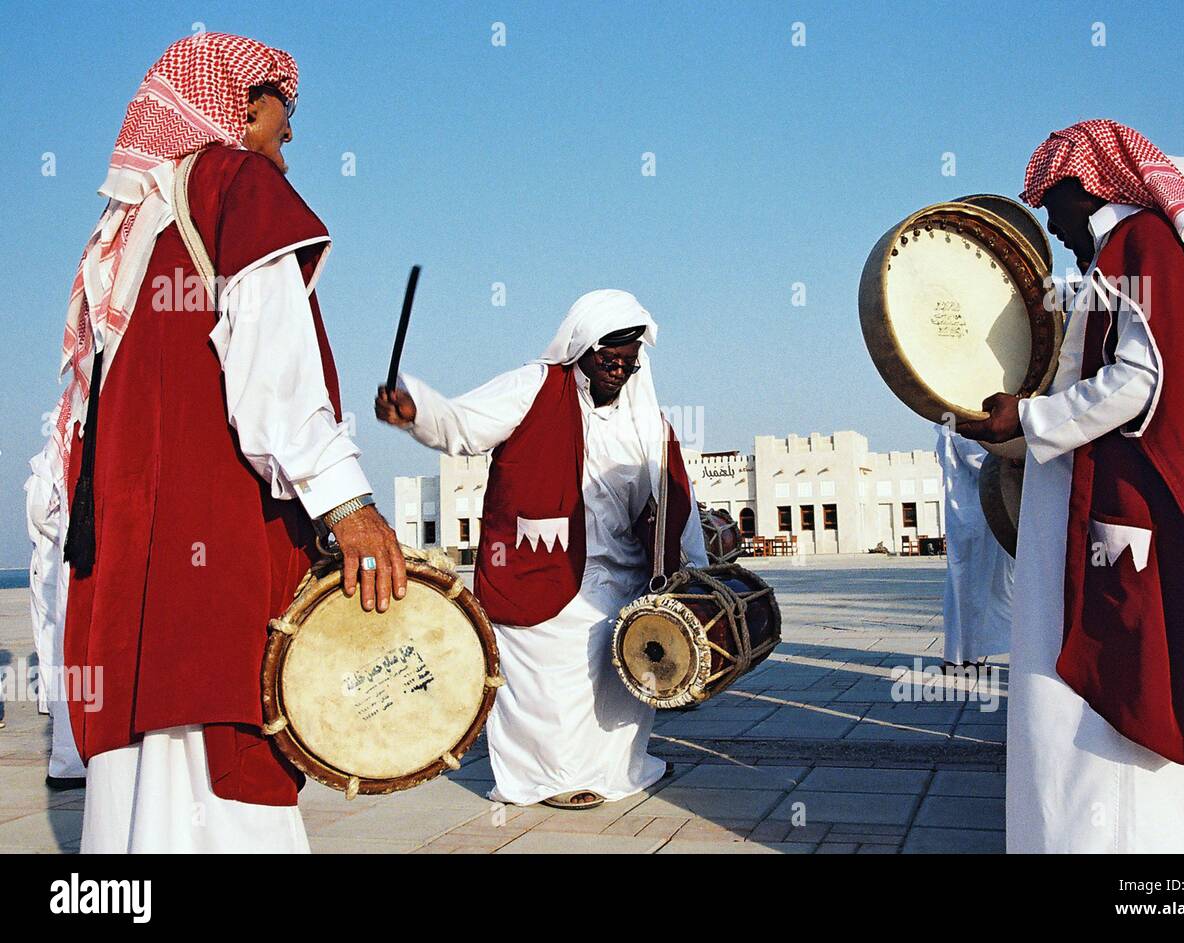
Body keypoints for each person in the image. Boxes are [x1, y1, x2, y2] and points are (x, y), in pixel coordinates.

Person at [58, 33, 403, 853]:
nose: (284, 160)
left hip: (127, 571)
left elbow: (78, 424)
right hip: (217, 552)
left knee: (141, 772)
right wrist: (348, 502)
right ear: (238, 113)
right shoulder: (230, 180)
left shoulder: (118, 243)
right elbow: (273, 373)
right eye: (281, 135)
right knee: (228, 749)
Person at [958, 119, 1184, 853]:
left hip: (1120, 515)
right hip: (1115, 506)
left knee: (1095, 692)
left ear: (1083, 186)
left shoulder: (1139, 242)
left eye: (1048, 204)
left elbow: (1141, 378)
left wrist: (1027, 414)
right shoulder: (1145, 249)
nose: (1050, 226)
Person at [375, 289, 708, 809]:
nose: (619, 372)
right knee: (548, 688)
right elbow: (463, 423)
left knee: (620, 684)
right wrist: (417, 412)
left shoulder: (645, 421)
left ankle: (616, 769)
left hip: (622, 574)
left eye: (628, 362)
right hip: (542, 565)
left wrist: (693, 571)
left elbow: (673, 500)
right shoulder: (534, 386)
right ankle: (547, 778)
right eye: (609, 360)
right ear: (583, 351)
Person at [23, 396, 87, 788]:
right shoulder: (69, 430)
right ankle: (71, 760)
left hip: (64, 554)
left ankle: (72, 757)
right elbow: (40, 510)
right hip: (67, 555)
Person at [934, 425, 1012, 665]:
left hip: (978, 517)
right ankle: (959, 658)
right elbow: (983, 464)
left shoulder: (952, 427)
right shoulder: (958, 428)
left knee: (973, 589)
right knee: (968, 589)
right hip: (975, 518)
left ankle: (966, 656)